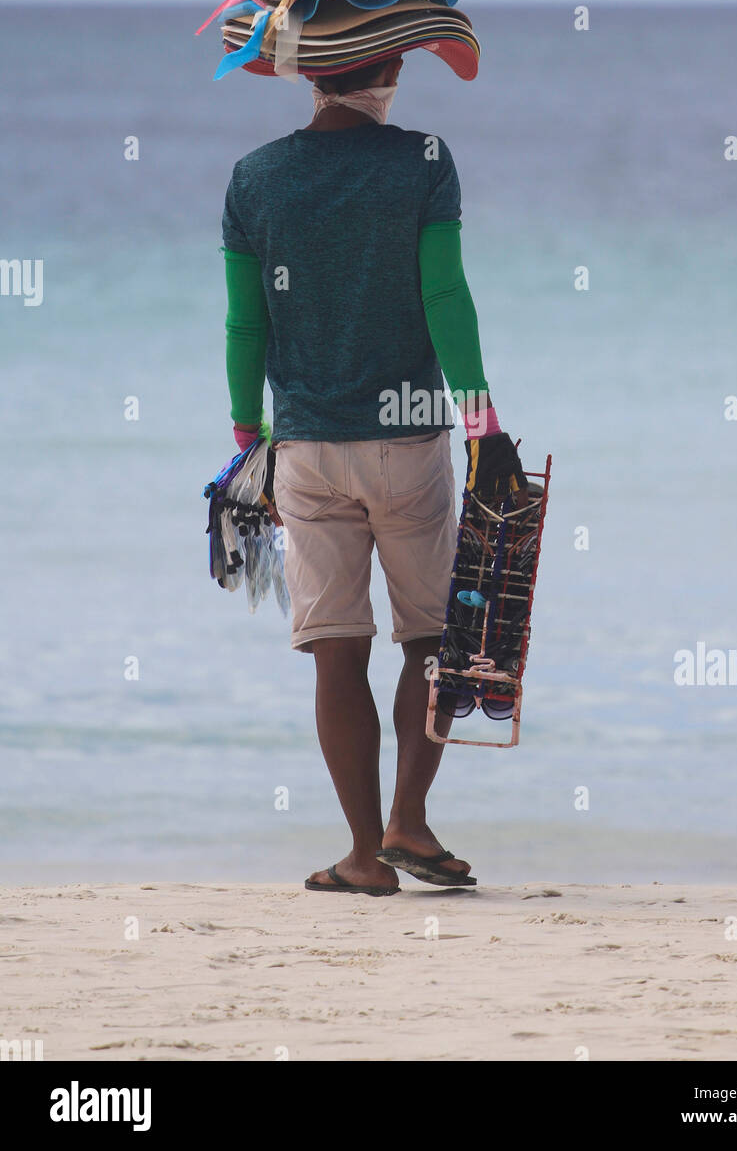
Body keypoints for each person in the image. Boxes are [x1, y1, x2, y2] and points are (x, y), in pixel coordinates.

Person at [221, 52, 526, 894]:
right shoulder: (424, 161)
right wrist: (482, 421)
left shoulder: (254, 178)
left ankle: (364, 856)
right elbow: (445, 298)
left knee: (335, 653)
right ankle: (409, 822)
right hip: (407, 442)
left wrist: (250, 433)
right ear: (390, 65)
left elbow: (246, 324)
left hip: (308, 450)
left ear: (305, 74)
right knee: (431, 641)